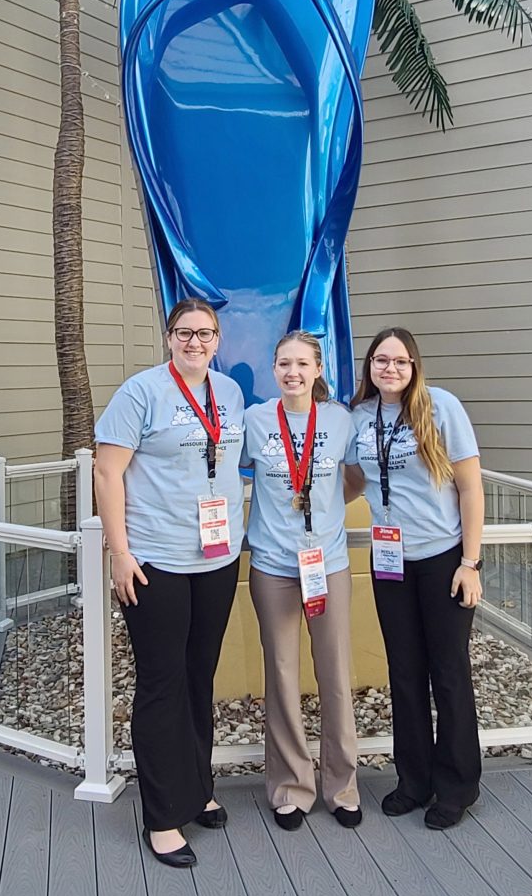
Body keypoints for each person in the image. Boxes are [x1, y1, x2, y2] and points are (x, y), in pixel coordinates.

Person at [94, 298, 245, 867]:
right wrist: (119, 551)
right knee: (161, 682)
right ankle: (161, 815)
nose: (196, 343)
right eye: (185, 333)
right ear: (168, 337)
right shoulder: (140, 393)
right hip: (155, 560)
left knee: (199, 676)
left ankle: (197, 787)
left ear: (217, 339)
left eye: (206, 333)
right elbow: (108, 472)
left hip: (216, 559)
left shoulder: (228, 394)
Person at [345, 327, 484, 830]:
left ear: (414, 366)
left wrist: (471, 563)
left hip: (443, 559)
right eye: (381, 361)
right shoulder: (360, 417)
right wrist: (307, 508)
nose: (390, 369)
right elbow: (356, 479)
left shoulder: (440, 407)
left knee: (447, 673)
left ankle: (456, 786)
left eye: (400, 361)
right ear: (370, 367)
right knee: (404, 672)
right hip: (390, 562)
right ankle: (414, 780)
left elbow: (470, 487)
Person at [243, 330, 362, 830]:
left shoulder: (340, 421)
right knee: (283, 676)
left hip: (327, 565)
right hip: (273, 567)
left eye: (302, 364)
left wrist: (325, 514)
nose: (292, 372)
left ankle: (342, 786)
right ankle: (291, 785)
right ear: (274, 370)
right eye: (283, 364)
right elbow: (230, 476)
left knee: (335, 674)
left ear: (318, 370)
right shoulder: (254, 420)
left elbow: (355, 477)